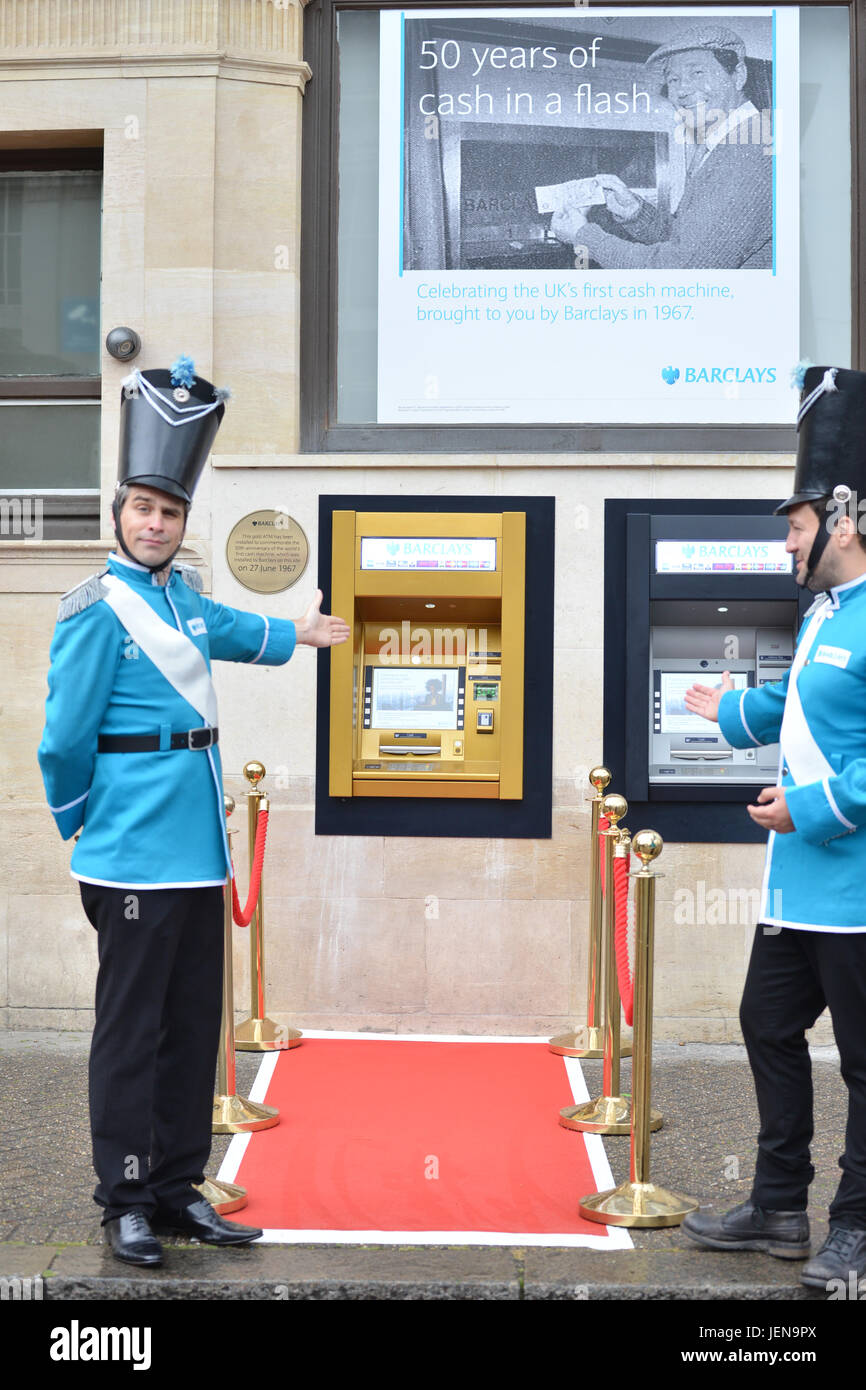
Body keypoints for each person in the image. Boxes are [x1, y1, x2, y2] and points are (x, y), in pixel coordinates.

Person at [37, 358, 350, 1267]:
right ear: (118, 515)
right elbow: (62, 737)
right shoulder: (95, 610)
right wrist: (84, 824)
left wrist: (300, 633)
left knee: (189, 1039)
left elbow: (230, 628)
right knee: (131, 1039)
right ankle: (125, 1197)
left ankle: (177, 1189)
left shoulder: (180, 594)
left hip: (194, 854)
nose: (156, 523)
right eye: (143, 508)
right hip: (130, 854)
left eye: (169, 512)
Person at [680, 365, 866, 1289]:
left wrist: (816, 807)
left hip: (858, 887)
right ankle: (779, 1203)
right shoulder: (826, 614)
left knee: (865, 1068)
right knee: (766, 1024)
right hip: (798, 883)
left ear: (843, 519)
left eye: (795, 523)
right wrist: (727, 712)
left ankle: (857, 1228)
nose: (784, 540)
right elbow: (801, 710)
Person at [550, 25, 771, 270]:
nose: (682, 90)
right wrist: (635, 211)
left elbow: (685, 268)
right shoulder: (730, 142)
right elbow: (690, 240)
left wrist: (583, 236)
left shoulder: (749, 150)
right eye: (673, 79)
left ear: (738, 75)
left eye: (697, 72)